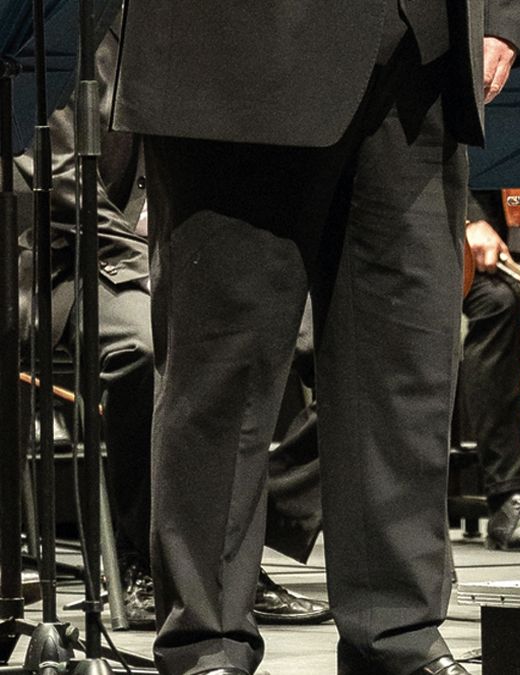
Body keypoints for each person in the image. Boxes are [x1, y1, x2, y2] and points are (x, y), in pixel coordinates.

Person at [112, 0, 520, 673]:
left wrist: (504, 15)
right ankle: (208, 644)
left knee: (406, 366)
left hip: (419, 56)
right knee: (226, 371)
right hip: (236, 55)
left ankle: (397, 634)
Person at [12, 25, 331, 630]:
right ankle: (146, 557)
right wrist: (147, 261)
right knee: (151, 346)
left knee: (333, 341)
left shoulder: (201, 39)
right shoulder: (80, 36)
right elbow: (55, 174)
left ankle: (233, 534)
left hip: (191, 254)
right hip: (80, 263)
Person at [460, 190, 520, 550]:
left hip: (502, 226)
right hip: (426, 225)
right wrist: (466, 220)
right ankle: (508, 498)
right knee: (499, 302)